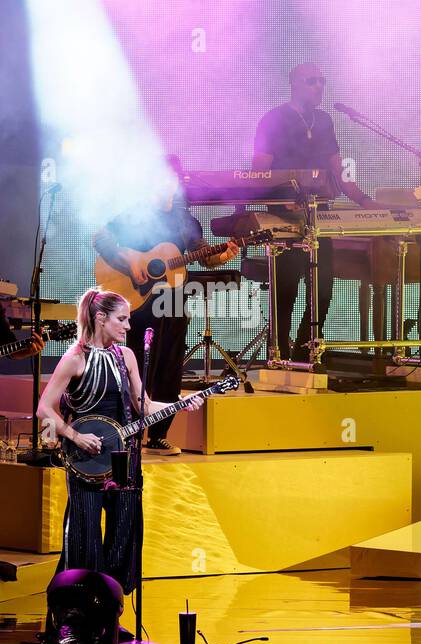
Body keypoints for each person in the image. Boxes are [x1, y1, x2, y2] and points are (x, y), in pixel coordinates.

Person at [36, 288, 205, 594]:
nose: (129, 326)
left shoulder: (125, 356)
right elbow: (44, 408)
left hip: (123, 460)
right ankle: (78, 616)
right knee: (84, 540)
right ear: (100, 318)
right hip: (87, 461)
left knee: (122, 536)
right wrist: (76, 435)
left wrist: (181, 402)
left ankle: (111, 614)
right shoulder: (75, 359)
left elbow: (145, 405)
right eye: (122, 319)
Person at [92, 156, 236, 454]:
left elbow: (203, 255)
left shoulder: (186, 221)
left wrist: (223, 256)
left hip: (173, 302)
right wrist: (129, 262)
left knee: (169, 370)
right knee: (136, 370)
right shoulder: (136, 215)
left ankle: (158, 434)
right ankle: (128, 435)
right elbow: (102, 239)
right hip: (139, 305)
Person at [252, 62, 379, 362]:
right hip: (285, 219)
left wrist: (364, 200)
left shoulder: (324, 121)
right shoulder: (273, 119)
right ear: (295, 83)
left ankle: (304, 349)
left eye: (322, 81)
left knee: (323, 290)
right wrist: (283, 199)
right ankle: (279, 354)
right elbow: (259, 173)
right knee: (285, 293)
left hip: (319, 218)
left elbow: (339, 169)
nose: (319, 86)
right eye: (312, 81)